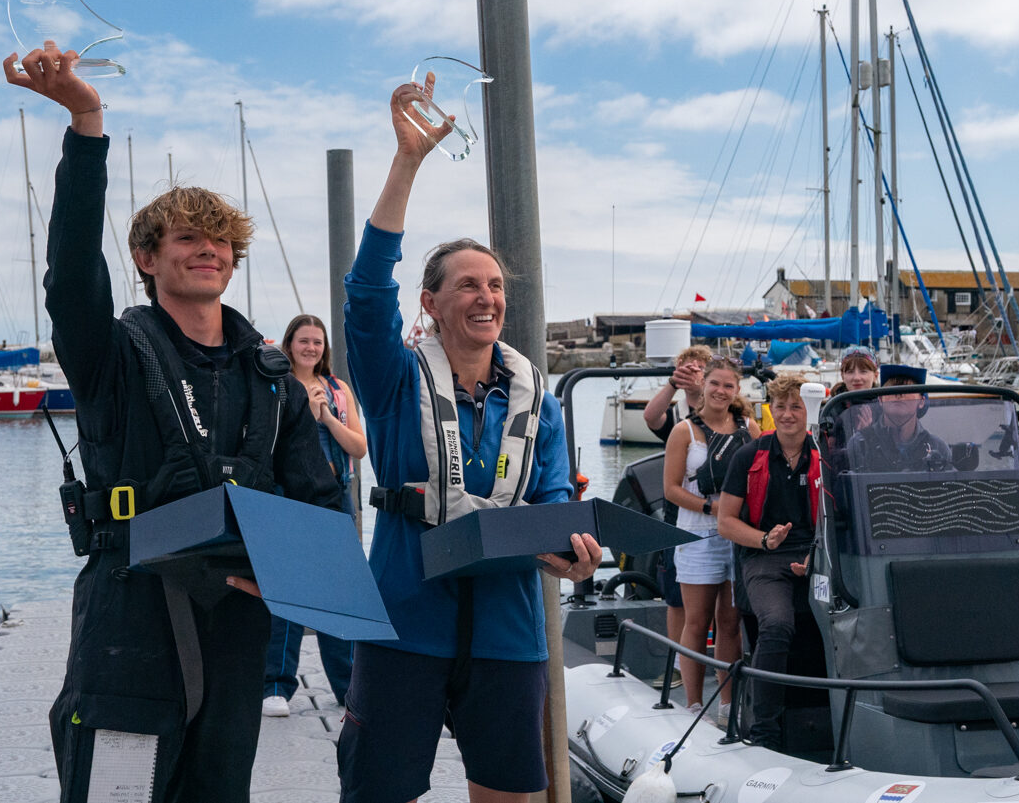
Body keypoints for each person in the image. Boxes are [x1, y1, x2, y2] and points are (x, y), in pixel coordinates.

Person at [8, 40, 344, 803]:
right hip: (130, 618)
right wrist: (86, 124)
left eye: (220, 240)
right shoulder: (111, 355)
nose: (208, 250)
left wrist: (292, 582)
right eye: (187, 238)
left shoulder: (275, 378)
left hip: (237, 624)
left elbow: (319, 503)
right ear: (145, 256)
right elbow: (69, 275)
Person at [338, 74, 600, 803]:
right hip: (402, 623)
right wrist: (408, 164)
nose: (487, 297)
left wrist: (573, 554)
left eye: (496, 286)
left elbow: (550, 499)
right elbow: (364, 295)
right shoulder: (393, 379)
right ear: (431, 302)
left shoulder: (537, 401)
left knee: (509, 796)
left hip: (508, 631)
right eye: (468, 285)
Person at [264, 313, 367, 716]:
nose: (310, 348)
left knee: (338, 592)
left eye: (317, 342)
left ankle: (348, 686)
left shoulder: (338, 390)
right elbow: (267, 441)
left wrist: (326, 417)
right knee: (289, 590)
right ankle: (276, 686)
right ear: (290, 344)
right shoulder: (275, 386)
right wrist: (303, 413)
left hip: (334, 495)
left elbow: (358, 448)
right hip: (287, 494)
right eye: (303, 341)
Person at [716, 375, 820, 749]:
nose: (788, 414)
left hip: (817, 555)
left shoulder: (826, 454)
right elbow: (726, 522)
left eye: (796, 406)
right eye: (781, 407)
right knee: (776, 624)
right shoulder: (748, 456)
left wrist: (816, 555)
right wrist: (764, 539)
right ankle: (764, 731)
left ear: (810, 409)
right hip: (763, 556)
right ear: (770, 411)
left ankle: (842, 719)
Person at [660, 356, 749, 723]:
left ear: (737, 391)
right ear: (704, 386)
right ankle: (693, 703)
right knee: (696, 621)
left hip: (736, 539)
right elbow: (670, 489)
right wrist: (714, 510)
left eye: (729, 385)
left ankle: (728, 703)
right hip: (697, 534)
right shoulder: (684, 431)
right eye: (715, 384)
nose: (721, 391)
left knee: (730, 622)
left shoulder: (749, 429)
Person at [639, 343, 711, 644]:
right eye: (686, 366)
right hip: (677, 514)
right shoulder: (676, 416)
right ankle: (677, 664)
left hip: (718, 509)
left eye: (698, 367)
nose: (691, 371)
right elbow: (651, 417)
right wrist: (672, 383)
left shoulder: (722, 413)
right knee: (676, 596)